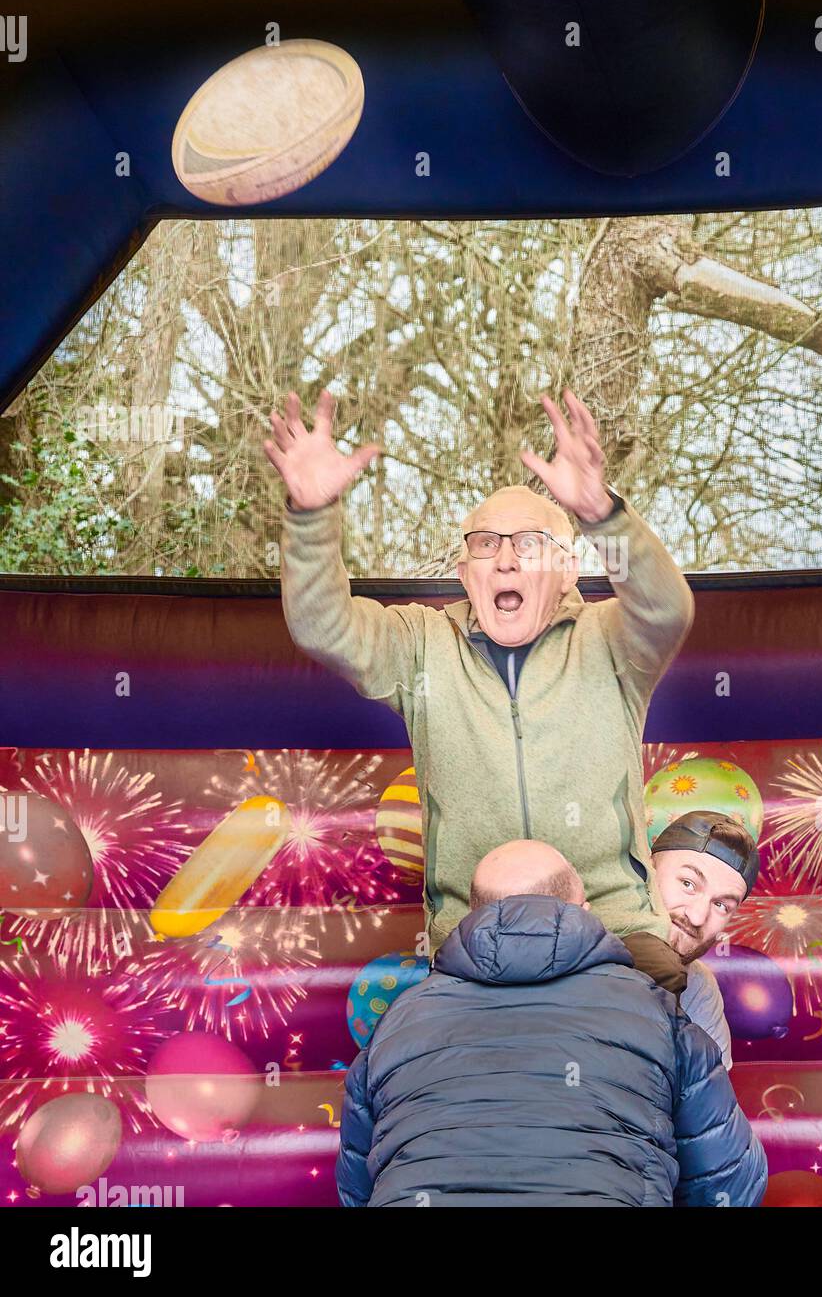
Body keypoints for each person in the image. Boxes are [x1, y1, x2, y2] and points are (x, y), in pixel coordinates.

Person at [266, 386, 695, 993]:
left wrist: (602, 514)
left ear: (568, 568)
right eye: (485, 545)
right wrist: (311, 517)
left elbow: (665, 608)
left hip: (615, 931)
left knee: (645, 1075)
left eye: (528, 545)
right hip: (477, 941)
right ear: (465, 573)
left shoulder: (612, 640)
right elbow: (321, 624)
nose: (505, 562)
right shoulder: (419, 643)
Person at [335, 840, 767, 1207]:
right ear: (583, 909)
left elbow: (356, 1188)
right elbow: (729, 1184)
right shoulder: (656, 1011)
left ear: (474, 913)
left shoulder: (399, 1022)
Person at [652, 810, 761, 1070]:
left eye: (721, 905)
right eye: (688, 883)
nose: (698, 916)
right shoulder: (582, 949)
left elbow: (710, 1102)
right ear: (648, 869)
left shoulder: (699, 987)